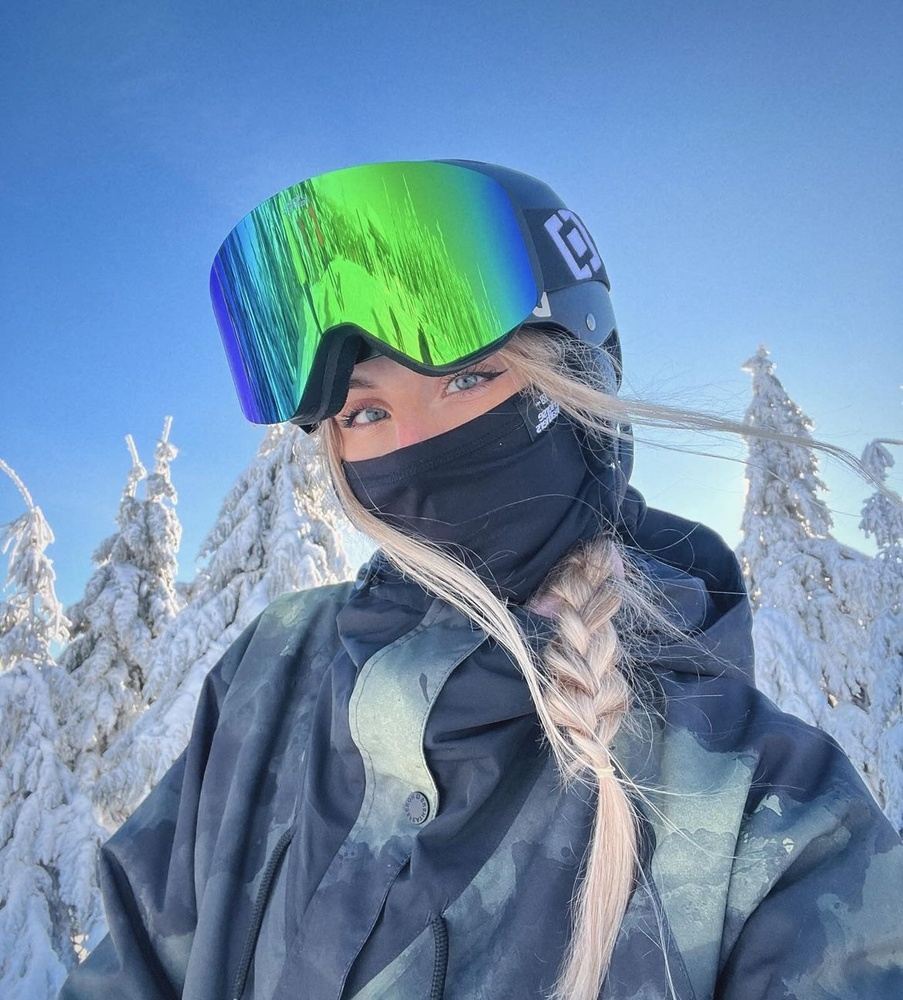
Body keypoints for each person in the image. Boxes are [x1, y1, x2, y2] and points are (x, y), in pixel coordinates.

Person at [59, 159, 903, 1000]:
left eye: (467, 379)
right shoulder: (274, 670)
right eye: (363, 412)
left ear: (577, 389)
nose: (410, 445)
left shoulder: (773, 817)